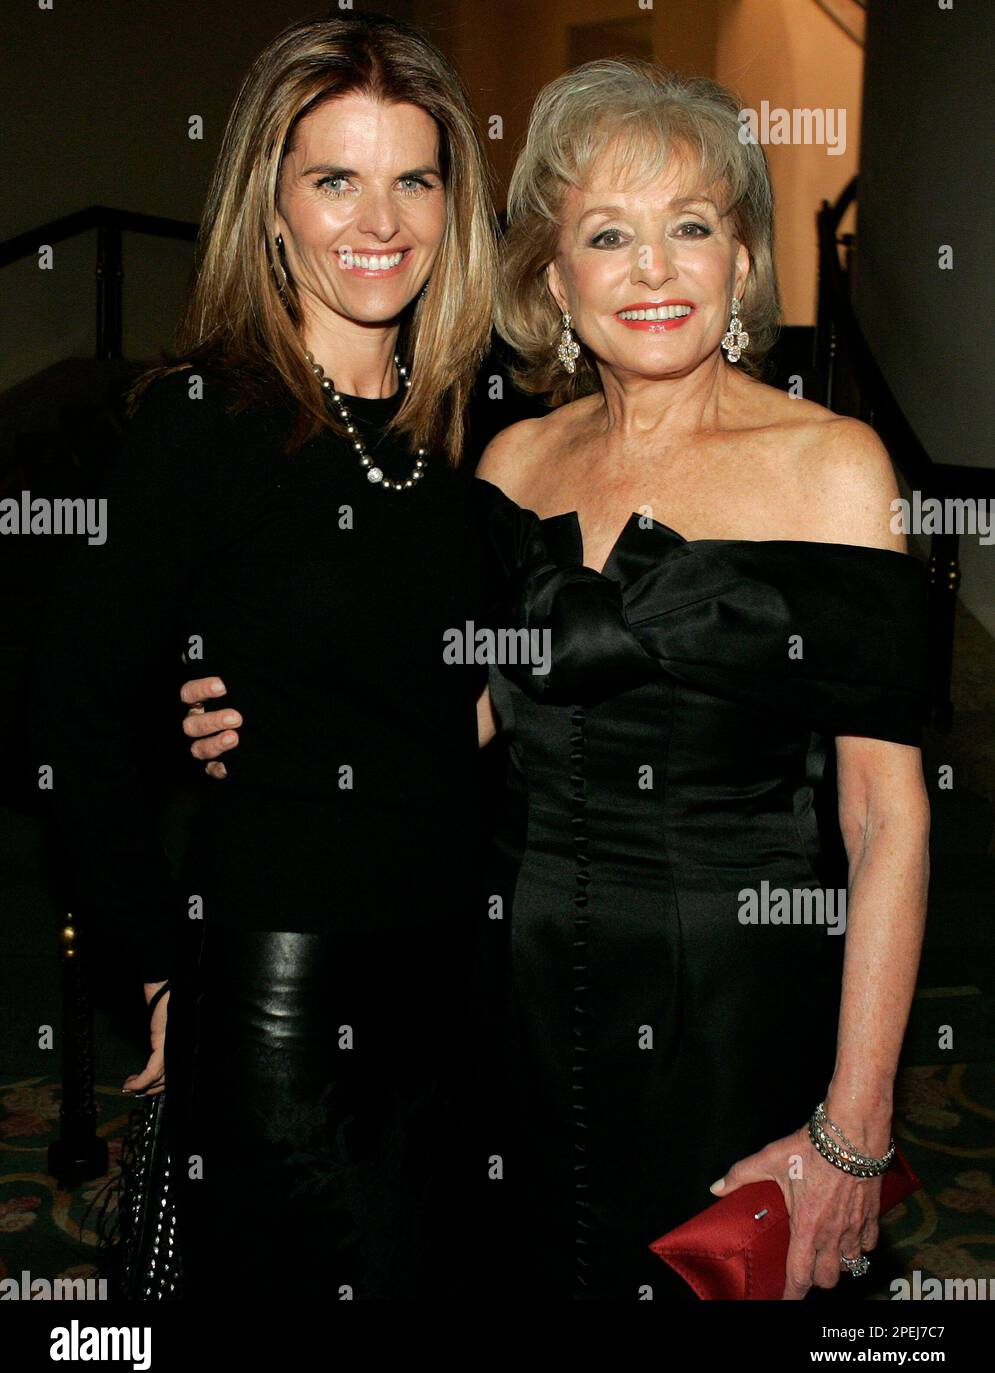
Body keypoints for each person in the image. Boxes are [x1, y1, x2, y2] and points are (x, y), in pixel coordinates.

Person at [182, 61, 930, 1303]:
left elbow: (886, 817)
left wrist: (853, 1120)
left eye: (690, 227)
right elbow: (445, 715)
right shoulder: (511, 462)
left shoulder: (833, 465)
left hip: (736, 1007)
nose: (651, 269)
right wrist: (252, 709)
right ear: (551, 279)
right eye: (606, 235)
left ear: (740, 266)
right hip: (503, 1005)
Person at [30, 12, 500, 1300]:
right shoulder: (204, 419)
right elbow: (71, 705)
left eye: (413, 176)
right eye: (334, 178)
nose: (380, 218)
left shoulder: (477, 425)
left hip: (459, 964)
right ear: (271, 207)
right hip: (282, 977)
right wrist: (148, 963)